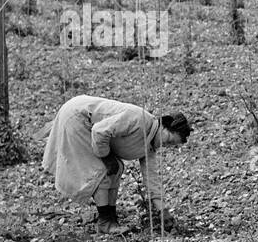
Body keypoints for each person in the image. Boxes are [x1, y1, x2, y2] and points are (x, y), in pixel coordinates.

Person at [41, 95, 190, 233]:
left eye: (170, 145)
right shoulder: (139, 120)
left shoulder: (150, 146)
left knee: (116, 169)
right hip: (77, 118)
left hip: (90, 127)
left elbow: (151, 178)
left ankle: (111, 218)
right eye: (169, 139)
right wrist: (105, 157)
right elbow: (99, 131)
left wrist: (162, 210)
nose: (165, 144)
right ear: (164, 126)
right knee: (101, 171)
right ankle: (105, 222)